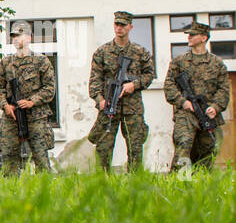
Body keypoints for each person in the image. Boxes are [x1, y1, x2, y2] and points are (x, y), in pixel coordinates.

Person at [87, 10, 155, 172]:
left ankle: (134, 181)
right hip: (109, 105)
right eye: (117, 24)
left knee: (135, 147)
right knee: (103, 147)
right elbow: (94, 80)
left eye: (123, 25)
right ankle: (103, 182)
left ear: (130, 27)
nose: (119, 28)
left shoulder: (140, 52)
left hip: (132, 108)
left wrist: (134, 85)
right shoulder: (102, 52)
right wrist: (100, 100)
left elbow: (149, 75)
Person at [163, 21, 230, 171]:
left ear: (204, 38)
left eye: (193, 35)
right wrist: (183, 102)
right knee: (184, 145)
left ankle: (200, 185)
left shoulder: (217, 63)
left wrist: (215, 107)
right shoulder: (179, 62)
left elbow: (224, 89)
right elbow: (169, 85)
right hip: (186, 113)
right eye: (189, 35)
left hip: (207, 115)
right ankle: (177, 184)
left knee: (207, 150)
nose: (189, 37)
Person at [0, 21, 56, 174]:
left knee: (40, 156)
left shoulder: (41, 61)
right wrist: (5, 105)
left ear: (29, 38)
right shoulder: (5, 63)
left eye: (19, 36)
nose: (15, 39)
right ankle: (11, 191)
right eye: (13, 36)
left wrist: (32, 101)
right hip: (12, 116)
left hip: (36, 117)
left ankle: (45, 190)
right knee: (9, 156)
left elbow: (50, 88)